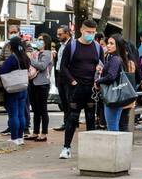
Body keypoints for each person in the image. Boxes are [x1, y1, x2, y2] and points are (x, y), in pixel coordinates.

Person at [59, 18, 104, 160]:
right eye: (88, 32)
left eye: (93, 32)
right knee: (72, 118)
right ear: (81, 30)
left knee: (91, 117)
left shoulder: (97, 47)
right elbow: (63, 67)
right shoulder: (71, 46)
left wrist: (100, 71)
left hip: (91, 89)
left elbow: (102, 64)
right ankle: (66, 148)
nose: (90, 34)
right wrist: (72, 82)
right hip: (75, 88)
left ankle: (90, 149)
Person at [0, 34, 31, 145]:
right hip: (23, 88)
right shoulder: (25, 56)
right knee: (21, 114)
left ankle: (14, 138)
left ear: (12, 47)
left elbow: (2, 70)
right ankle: (20, 138)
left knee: (13, 114)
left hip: (13, 89)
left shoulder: (13, 58)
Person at [96, 34, 131, 132]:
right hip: (116, 95)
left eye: (112, 43)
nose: (108, 46)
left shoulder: (115, 59)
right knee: (114, 124)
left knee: (112, 126)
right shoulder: (117, 58)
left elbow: (111, 76)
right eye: (108, 43)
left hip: (113, 96)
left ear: (118, 46)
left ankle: (115, 147)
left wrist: (98, 81)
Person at [27, 33, 54, 142]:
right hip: (33, 83)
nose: (38, 41)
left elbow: (42, 66)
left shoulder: (47, 53)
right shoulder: (36, 53)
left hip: (42, 84)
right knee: (36, 110)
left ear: (46, 42)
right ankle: (35, 132)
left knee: (43, 109)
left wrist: (30, 59)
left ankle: (44, 133)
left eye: (41, 40)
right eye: (38, 39)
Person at [52, 24, 73, 132]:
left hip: (67, 76)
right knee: (63, 101)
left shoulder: (72, 44)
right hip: (59, 75)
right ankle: (66, 121)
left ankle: (69, 123)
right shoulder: (59, 45)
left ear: (67, 33)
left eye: (60, 34)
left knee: (69, 101)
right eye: (57, 34)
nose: (58, 36)